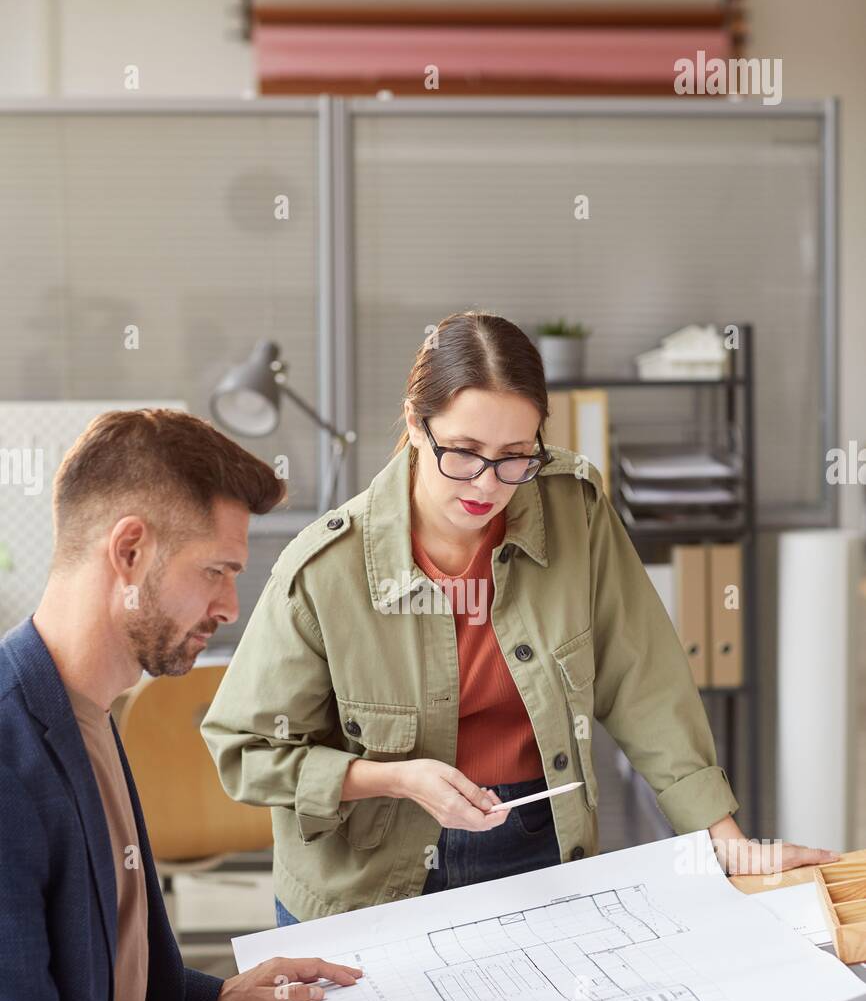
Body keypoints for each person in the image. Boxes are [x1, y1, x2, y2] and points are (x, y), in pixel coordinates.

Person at [201, 311, 838, 930]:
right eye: (464, 451)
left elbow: (643, 682)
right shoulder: (322, 569)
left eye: (514, 455)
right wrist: (393, 778)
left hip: (536, 847)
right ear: (416, 426)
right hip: (364, 884)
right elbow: (245, 749)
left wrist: (723, 840)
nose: (487, 482)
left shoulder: (574, 508)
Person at [0, 408, 438, 1001]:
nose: (231, 606)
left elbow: (102, 984)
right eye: (216, 572)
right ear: (128, 552)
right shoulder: (8, 750)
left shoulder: (91, 713)